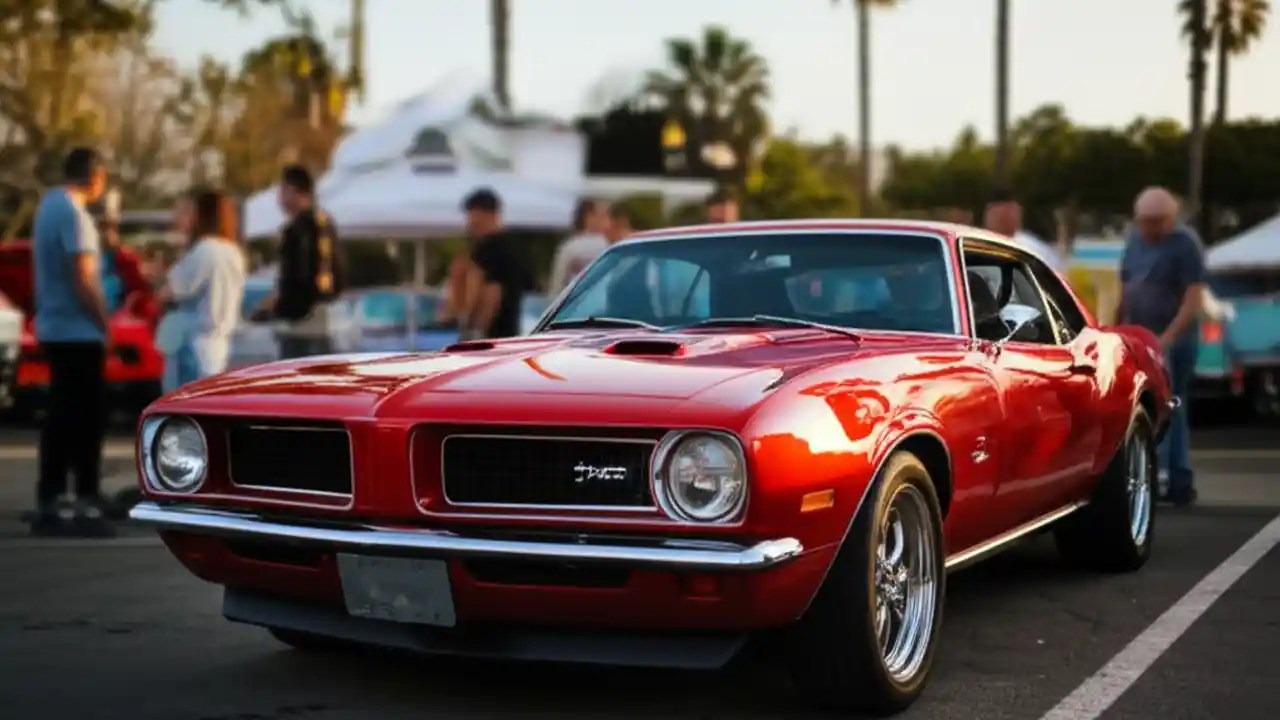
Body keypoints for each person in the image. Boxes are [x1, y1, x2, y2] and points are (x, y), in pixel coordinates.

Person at [30, 147, 113, 537]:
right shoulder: (75, 216)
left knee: (60, 418)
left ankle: (50, 495)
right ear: (95, 177)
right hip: (79, 332)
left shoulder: (48, 206)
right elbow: (84, 277)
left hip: (54, 327)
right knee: (86, 420)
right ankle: (84, 496)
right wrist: (104, 322)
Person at [1118, 187, 1205, 507]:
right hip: (1143, 338)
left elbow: (1192, 299)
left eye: (1157, 222)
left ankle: (1175, 478)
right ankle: (1157, 475)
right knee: (1145, 407)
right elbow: (1126, 288)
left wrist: (1166, 338)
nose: (1151, 228)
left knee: (1172, 405)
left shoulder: (1185, 245)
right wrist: (1118, 327)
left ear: (1170, 218)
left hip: (1173, 340)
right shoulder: (1134, 242)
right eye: (1146, 222)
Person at [156, 189, 246, 392]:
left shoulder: (203, 250)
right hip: (219, 347)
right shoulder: (234, 252)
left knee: (182, 404)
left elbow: (170, 291)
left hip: (192, 346)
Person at [259, 165, 346, 358]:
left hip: (299, 326)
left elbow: (297, 276)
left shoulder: (297, 230)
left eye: (283, 190)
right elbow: (339, 272)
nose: (279, 198)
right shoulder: (326, 223)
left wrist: (279, 308)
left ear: (295, 191)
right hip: (325, 320)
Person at [460, 188, 529, 340]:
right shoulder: (514, 246)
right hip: (511, 332)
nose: (470, 223)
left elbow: (492, 292)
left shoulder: (487, 249)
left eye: (473, 217)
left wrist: (477, 330)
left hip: (491, 335)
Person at [91, 188, 158, 327]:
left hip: (116, 324)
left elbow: (142, 295)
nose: (105, 233)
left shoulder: (127, 260)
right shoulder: (79, 258)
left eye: (109, 226)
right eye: (101, 226)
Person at [983, 190, 1065, 274]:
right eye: (998, 215)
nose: (1005, 217)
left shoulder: (1036, 250)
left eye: (1010, 211)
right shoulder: (979, 246)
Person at [547, 198, 610, 296]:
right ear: (589, 217)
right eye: (604, 215)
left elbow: (557, 288)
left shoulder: (569, 247)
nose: (608, 221)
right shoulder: (573, 248)